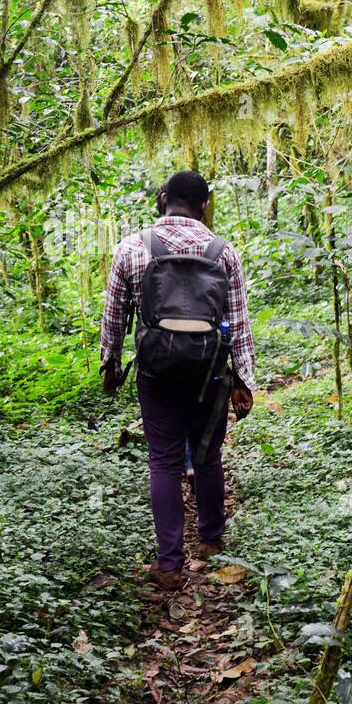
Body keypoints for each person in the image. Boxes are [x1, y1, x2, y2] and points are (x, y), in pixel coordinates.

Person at [100, 170, 255, 590]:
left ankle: (169, 565)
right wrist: (244, 381)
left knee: (164, 461)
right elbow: (238, 324)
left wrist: (110, 367)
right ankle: (210, 541)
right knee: (208, 454)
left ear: (162, 199)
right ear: (205, 205)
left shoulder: (131, 248)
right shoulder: (224, 253)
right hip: (211, 373)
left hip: (156, 372)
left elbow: (114, 317)